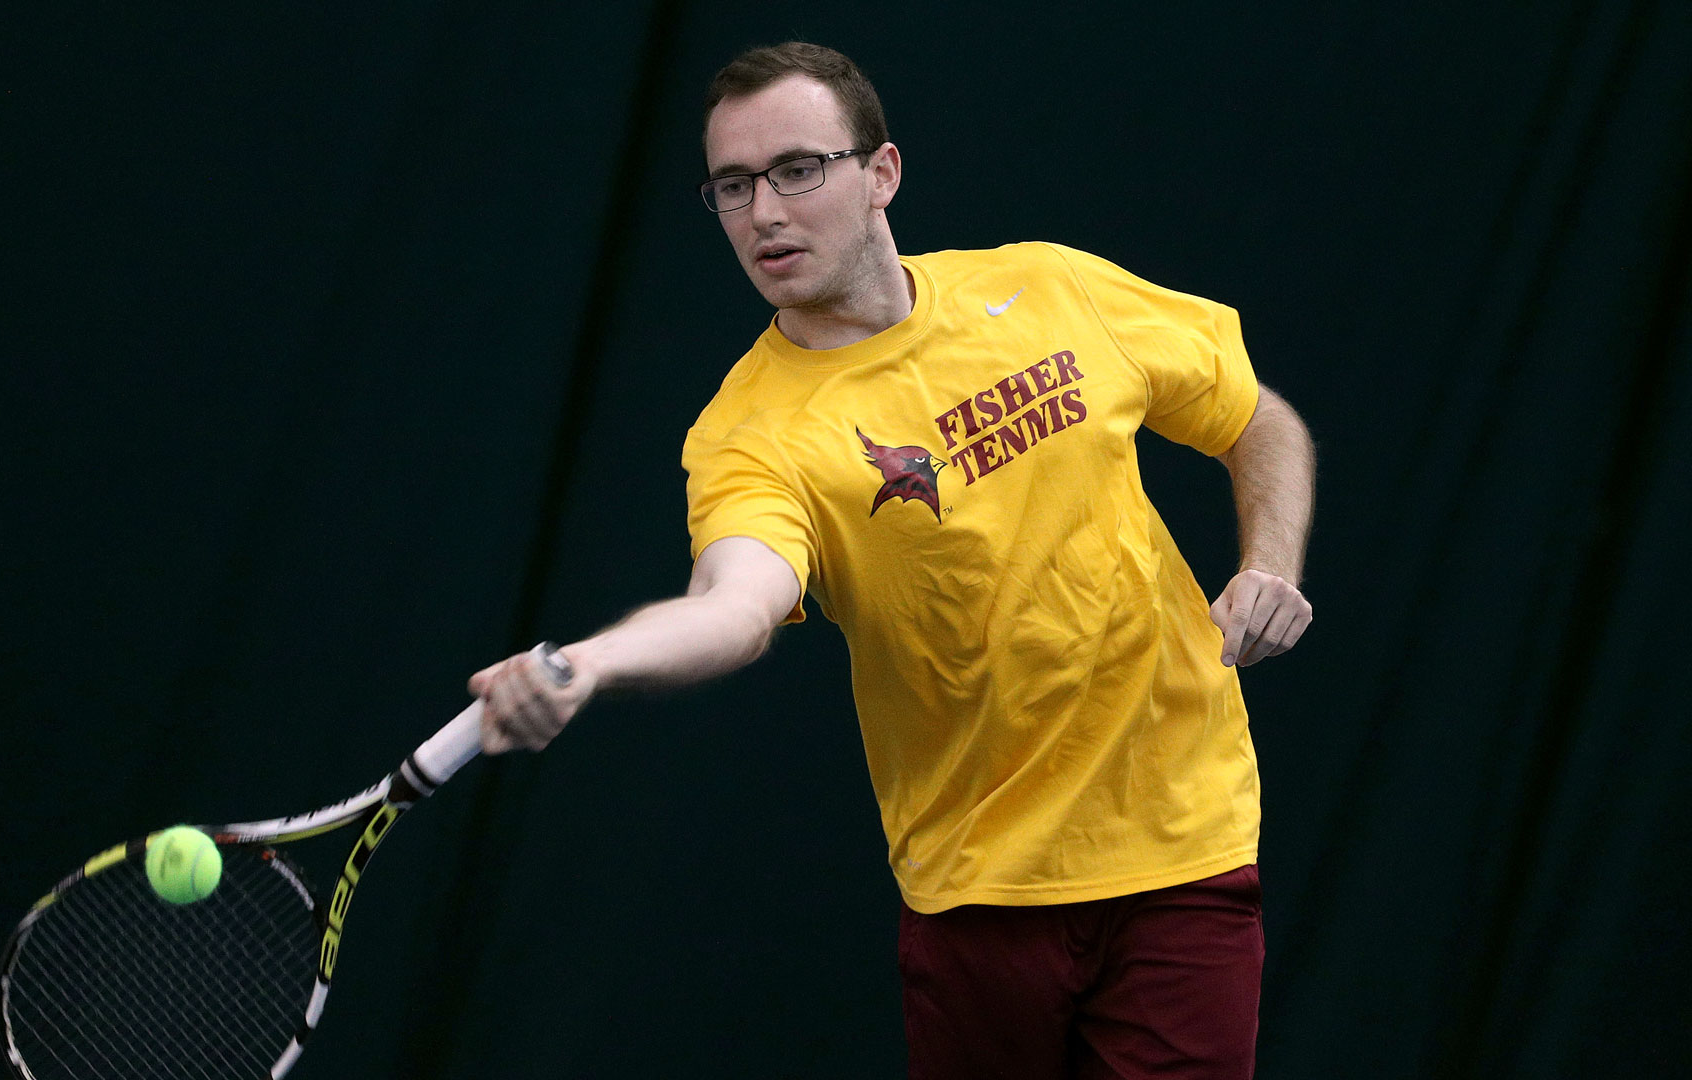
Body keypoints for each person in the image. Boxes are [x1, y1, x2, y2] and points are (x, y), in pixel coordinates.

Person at [468, 41, 1314, 1080]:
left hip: (1184, 844)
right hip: (976, 895)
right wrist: (593, 664)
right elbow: (734, 606)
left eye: (796, 169)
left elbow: (1253, 417)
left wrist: (1269, 563)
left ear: (882, 173)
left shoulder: (1047, 288)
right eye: (734, 186)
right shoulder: (752, 435)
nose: (764, 212)